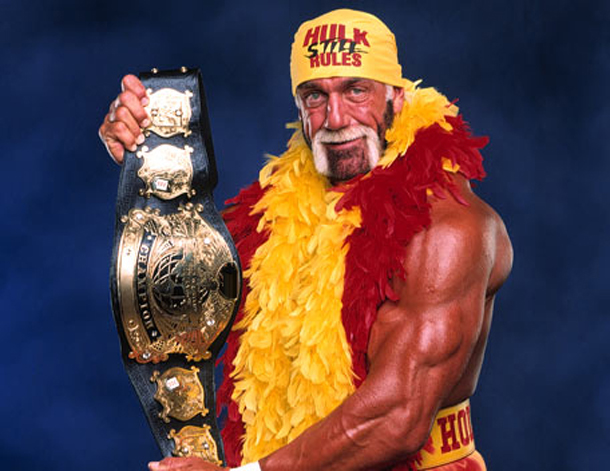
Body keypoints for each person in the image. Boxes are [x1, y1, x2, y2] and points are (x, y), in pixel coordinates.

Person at [99, 9, 512, 471]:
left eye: (356, 91)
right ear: (298, 107)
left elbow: (397, 418)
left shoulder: (448, 229)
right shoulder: (279, 211)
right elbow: (192, 283)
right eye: (315, 96)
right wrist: (147, 161)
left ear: (396, 97)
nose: (335, 118)